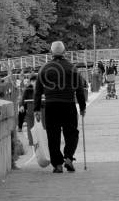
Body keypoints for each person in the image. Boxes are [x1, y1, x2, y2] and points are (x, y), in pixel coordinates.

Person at [34, 41, 87, 173]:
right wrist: (82, 107)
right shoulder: (72, 68)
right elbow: (80, 90)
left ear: (51, 53)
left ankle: (57, 164)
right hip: (68, 104)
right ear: (64, 52)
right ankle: (68, 157)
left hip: (51, 105)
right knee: (72, 133)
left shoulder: (44, 68)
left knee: (53, 135)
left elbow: (38, 91)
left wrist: (36, 109)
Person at [20, 75, 36, 146]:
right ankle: (31, 141)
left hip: (40, 109)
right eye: (33, 81)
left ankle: (41, 140)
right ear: (31, 82)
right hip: (30, 109)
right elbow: (23, 98)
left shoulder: (41, 88)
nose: (34, 83)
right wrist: (22, 105)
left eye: (36, 81)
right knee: (30, 126)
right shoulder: (28, 89)